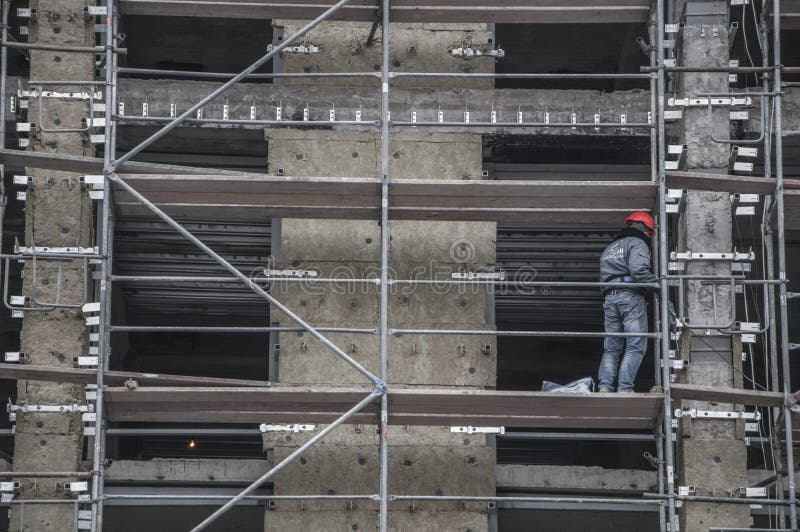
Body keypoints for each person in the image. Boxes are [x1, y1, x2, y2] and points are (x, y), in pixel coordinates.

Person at [597, 211, 656, 393]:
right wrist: (656, 284)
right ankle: (624, 389)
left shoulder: (610, 248)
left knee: (611, 348)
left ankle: (604, 388)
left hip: (610, 298)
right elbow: (638, 270)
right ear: (647, 231)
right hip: (630, 296)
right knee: (635, 345)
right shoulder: (638, 242)